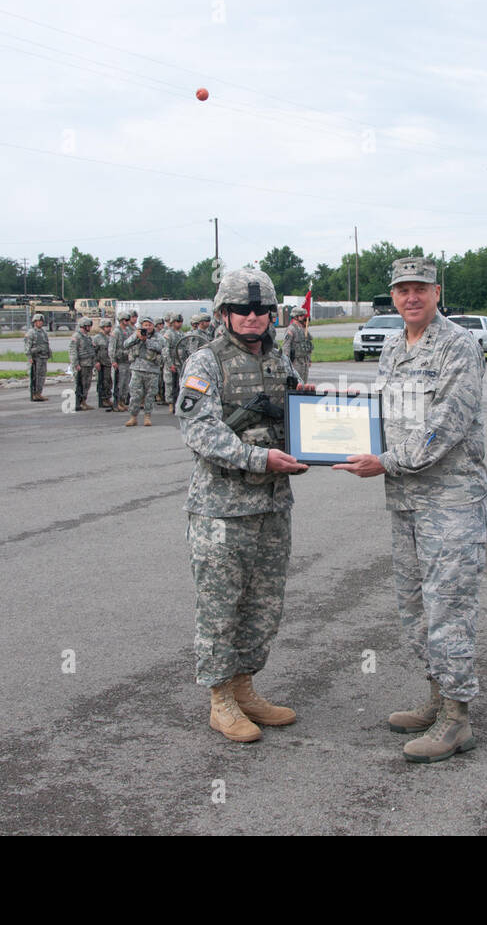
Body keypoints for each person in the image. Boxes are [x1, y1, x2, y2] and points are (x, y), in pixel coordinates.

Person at [335, 256, 487, 763]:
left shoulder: (458, 347)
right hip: (405, 498)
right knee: (414, 609)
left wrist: (383, 461)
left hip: (450, 501)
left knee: (448, 608)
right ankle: (436, 694)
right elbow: (383, 415)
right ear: (394, 297)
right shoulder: (394, 347)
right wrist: (330, 417)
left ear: (437, 292)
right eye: (402, 290)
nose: (411, 297)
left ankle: (457, 718)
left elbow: (444, 427)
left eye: (420, 288)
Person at [176, 269, 307, 743]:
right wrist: (259, 457)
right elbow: (200, 431)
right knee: (220, 606)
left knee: (264, 604)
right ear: (223, 313)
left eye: (261, 310)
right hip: (221, 509)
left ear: (272, 314)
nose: (252, 318)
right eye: (241, 310)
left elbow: (300, 407)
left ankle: (246, 686)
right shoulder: (205, 362)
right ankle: (220, 700)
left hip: (272, 506)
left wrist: (333, 419)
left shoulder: (279, 361)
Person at [124, 316, 163, 427]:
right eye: (145, 325)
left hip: (152, 370)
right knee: (135, 395)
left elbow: (161, 348)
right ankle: (133, 417)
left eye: (150, 325)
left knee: (150, 395)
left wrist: (146, 340)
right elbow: (125, 344)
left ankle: (147, 417)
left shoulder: (158, 337)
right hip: (137, 369)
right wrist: (136, 337)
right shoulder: (136, 335)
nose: (148, 327)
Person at [69, 317, 98, 410]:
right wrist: (76, 364)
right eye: (88, 326)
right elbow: (73, 351)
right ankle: (78, 402)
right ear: (83, 326)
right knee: (80, 384)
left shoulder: (87, 337)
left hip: (88, 364)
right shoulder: (77, 336)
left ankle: (83, 401)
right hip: (81, 364)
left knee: (87, 384)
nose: (89, 328)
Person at [24, 312, 51, 402]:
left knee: (42, 376)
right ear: (35, 322)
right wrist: (29, 357)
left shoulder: (43, 332)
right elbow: (27, 347)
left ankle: (39, 393)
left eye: (41, 321)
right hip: (36, 358)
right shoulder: (31, 333)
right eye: (39, 321)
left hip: (43, 357)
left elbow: (46, 343)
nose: (40, 323)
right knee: (34, 376)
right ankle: (34, 393)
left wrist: (48, 353)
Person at [282, 307, 314, 383]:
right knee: (297, 383)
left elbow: (306, 345)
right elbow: (286, 346)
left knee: (304, 383)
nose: (304, 318)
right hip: (295, 362)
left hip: (304, 361)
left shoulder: (303, 329)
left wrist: (309, 359)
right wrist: (287, 362)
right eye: (302, 316)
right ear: (296, 317)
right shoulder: (291, 329)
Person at [111, 311, 134, 410]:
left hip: (127, 361)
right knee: (119, 383)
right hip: (119, 361)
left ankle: (122, 401)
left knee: (126, 384)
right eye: (126, 320)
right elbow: (112, 348)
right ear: (121, 320)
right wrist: (113, 360)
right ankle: (117, 402)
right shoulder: (116, 332)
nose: (128, 322)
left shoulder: (129, 331)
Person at [163, 312, 184, 412]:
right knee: (170, 383)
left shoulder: (181, 334)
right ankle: (171, 403)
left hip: (180, 362)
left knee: (179, 384)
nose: (179, 324)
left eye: (181, 322)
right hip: (171, 363)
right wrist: (170, 364)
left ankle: (178, 402)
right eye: (177, 321)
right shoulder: (168, 334)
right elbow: (165, 350)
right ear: (172, 322)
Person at [95, 318, 115, 408]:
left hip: (108, 363)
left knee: (108, 381)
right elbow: (94, 351)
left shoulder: (110, 337)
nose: (109, 328)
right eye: (107, 327)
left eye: (109, 327)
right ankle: (102, 399)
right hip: (101, 363)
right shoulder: (97, 338)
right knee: (102, 382)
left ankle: (107, 398)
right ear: (102, 327)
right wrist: (96, 362)